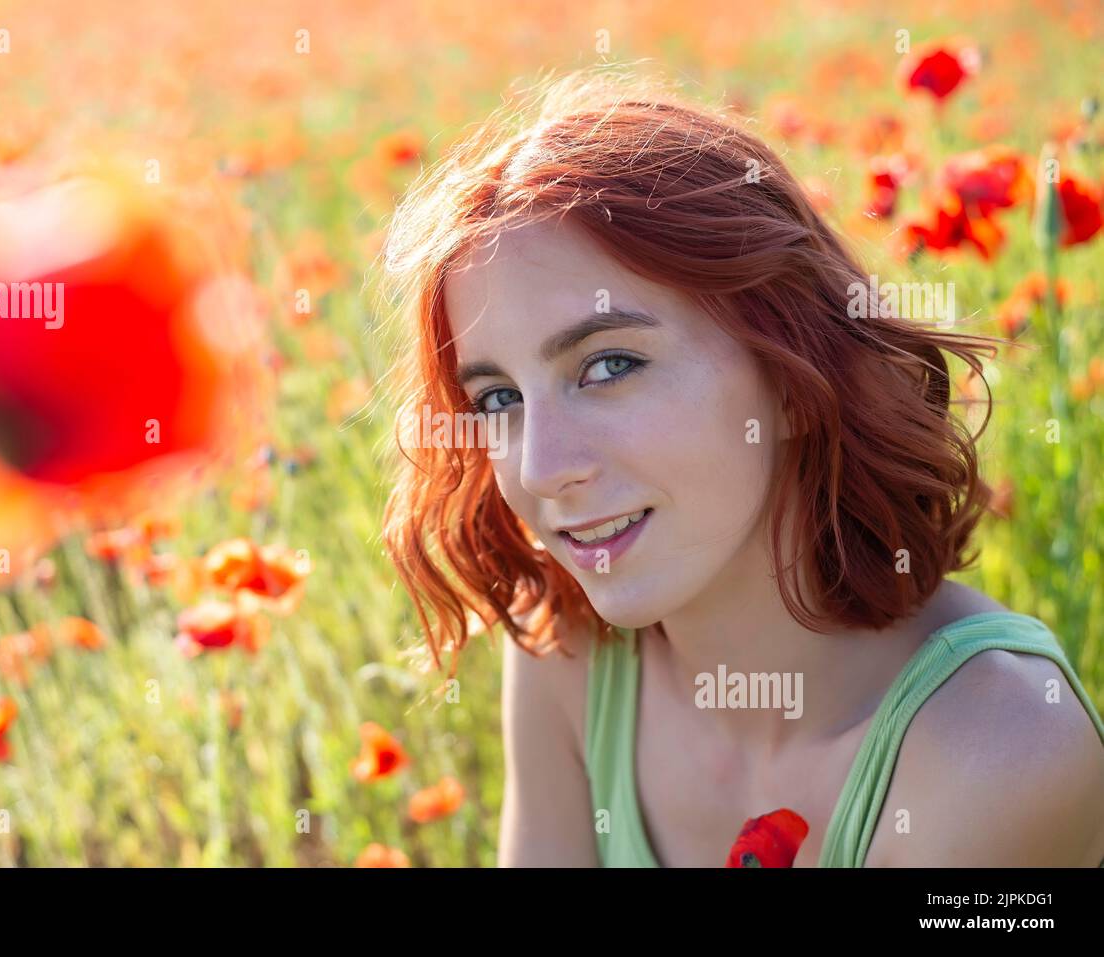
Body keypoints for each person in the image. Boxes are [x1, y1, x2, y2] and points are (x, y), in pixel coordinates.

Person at [376, 65, 1104, 867]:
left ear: (796, 374)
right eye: (498, 399)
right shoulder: (568, 660)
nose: (543, 468)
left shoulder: (1000, 747)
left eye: (610, 365)